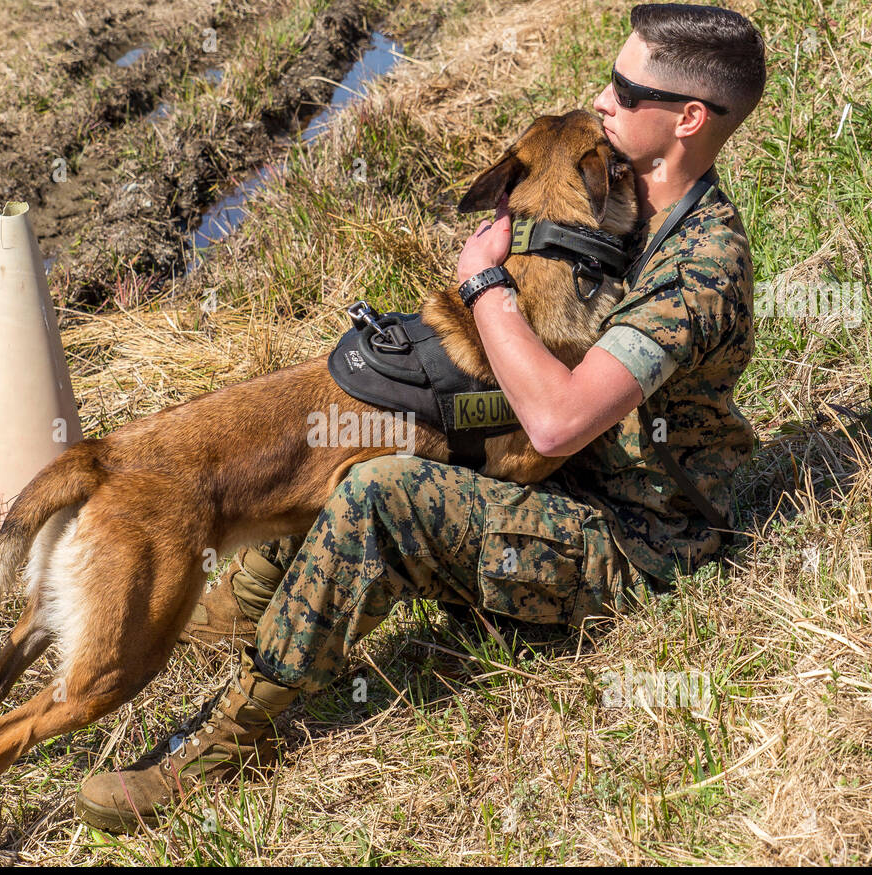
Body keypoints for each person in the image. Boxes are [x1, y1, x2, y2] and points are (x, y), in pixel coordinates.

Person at [75, 2, 766, 833]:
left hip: (632, 541)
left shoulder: (701, 265)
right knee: (372, 417)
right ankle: (245, 606)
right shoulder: (612, 196)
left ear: (689, 118)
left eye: (625, 88)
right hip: (548, 483)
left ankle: (230, 738)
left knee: (379, 492)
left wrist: (486, 286)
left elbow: (552, 424)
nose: (603, 98)